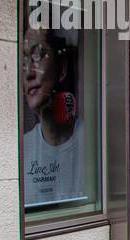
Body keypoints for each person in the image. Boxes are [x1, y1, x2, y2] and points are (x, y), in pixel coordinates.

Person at [21, 23, 86, 208]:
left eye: (38, 56)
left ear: (62, 68)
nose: (28, 73)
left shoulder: (94, 143)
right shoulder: (21, 149)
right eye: (24, 61)